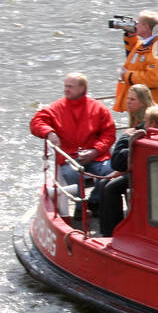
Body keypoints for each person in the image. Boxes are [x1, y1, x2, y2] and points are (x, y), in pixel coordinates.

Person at [30, 72, 116, 215]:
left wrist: (95, 150)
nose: (66, 90)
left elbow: (109, 133)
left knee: (109, 172)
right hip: (69, 156)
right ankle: (79, 207)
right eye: (65, 86)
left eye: (70, 86)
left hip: (96, 155)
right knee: (72, 174)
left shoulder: (99, 109)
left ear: (82, 88)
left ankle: (95, 201)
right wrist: (49, 132)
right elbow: (36, 122)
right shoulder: (56, 108)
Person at [98, 105, 158, 237]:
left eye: (146, 121)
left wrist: (125, 137)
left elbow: (117, 162)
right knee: (105, 182)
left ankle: (112, 231)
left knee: (110, 187)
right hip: (149, 174)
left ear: (152, 123)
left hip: (146, 178)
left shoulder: (148, 140)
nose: (143, 124)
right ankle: (110, 228)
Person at [113, 10, 158, 111]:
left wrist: (127, 75)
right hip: (140, 107)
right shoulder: (145, 44)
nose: (135, 25)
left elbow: (154, 79)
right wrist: (130, 37)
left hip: (150, 109)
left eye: (138, 23)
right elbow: (137, 59)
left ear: (146, 27)